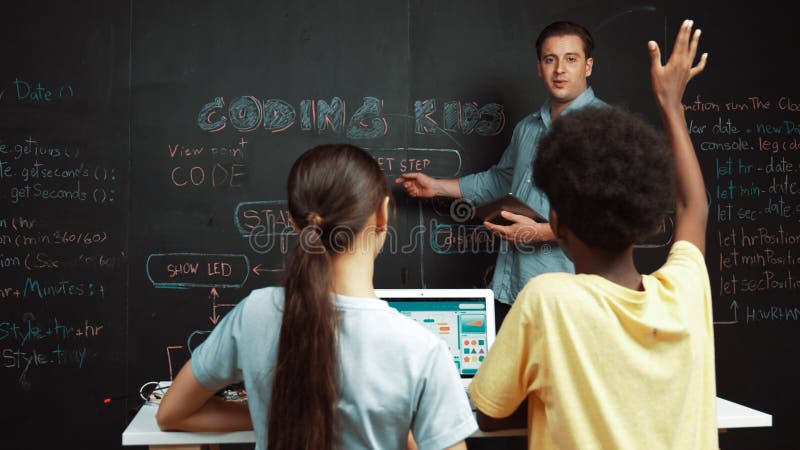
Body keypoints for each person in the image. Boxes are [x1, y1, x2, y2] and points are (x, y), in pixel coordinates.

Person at [469, 20, 716, 449]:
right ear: (647, 220)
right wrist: (670, 104)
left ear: (557, 224)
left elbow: (490, 414)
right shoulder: (686, 292)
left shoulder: (548, 301)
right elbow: (695, 208)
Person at [156, 144, 477, 450]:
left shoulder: (253, 313)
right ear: (382, 214)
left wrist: (274, 415)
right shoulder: (421, 349)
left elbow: (172, 413)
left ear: (294, 223)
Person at [396, 21, 607, 325]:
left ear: (588, 66)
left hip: (567, 296)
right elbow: (500, 180)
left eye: (571, 59)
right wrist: (438, 187)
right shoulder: (527, 128)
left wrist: (545, 234)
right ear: (539, 67)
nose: (560, 69)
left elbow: (611, 220)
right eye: (551, 59)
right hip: (512, 289)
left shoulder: (608, 130)